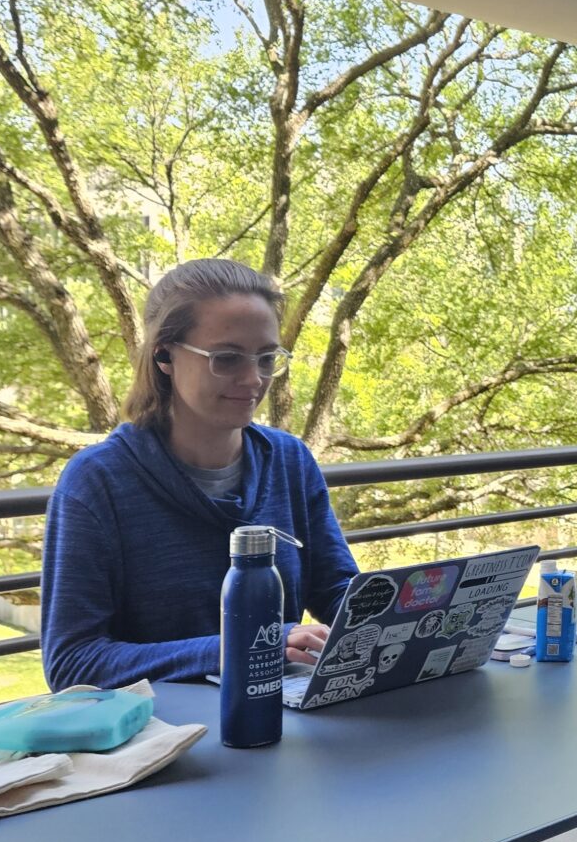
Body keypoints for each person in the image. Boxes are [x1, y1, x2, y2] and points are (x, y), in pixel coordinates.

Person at [41, 259, 359, 691]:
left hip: (279, 714)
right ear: (164, 356)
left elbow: (337, 590)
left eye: (267, 358)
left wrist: (408, 614)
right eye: (226, 359)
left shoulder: (290, 460)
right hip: (164, 727)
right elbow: (73, 663)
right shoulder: (97, 481)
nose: (253, 379)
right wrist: (243, 648)